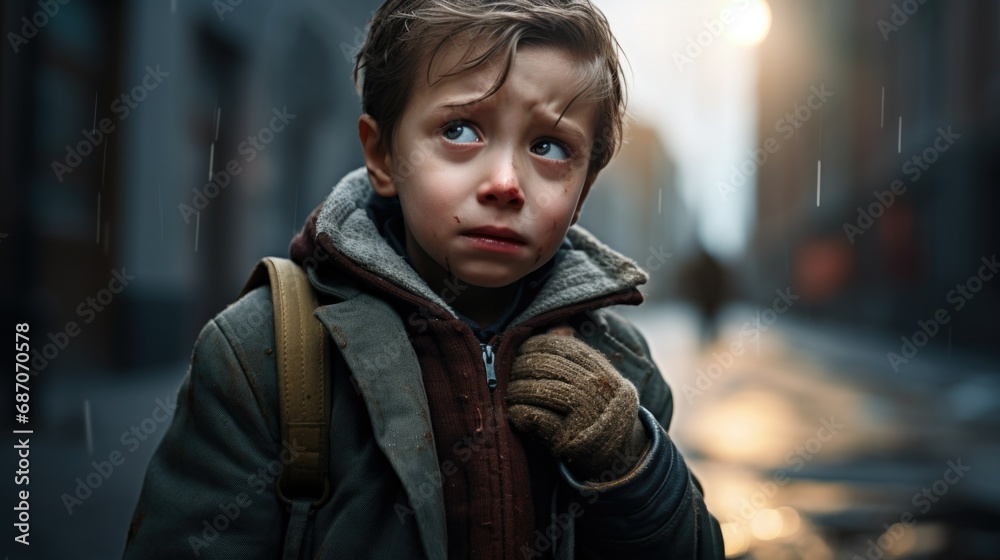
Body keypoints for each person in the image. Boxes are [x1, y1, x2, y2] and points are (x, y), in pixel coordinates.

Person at [123, 0, 724, 558]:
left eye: (549, 146)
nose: (506, 183)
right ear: (383, 156)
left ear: (583, 189)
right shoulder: (264, 353)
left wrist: (635, 468)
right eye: (461, 130)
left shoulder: (622, 366)